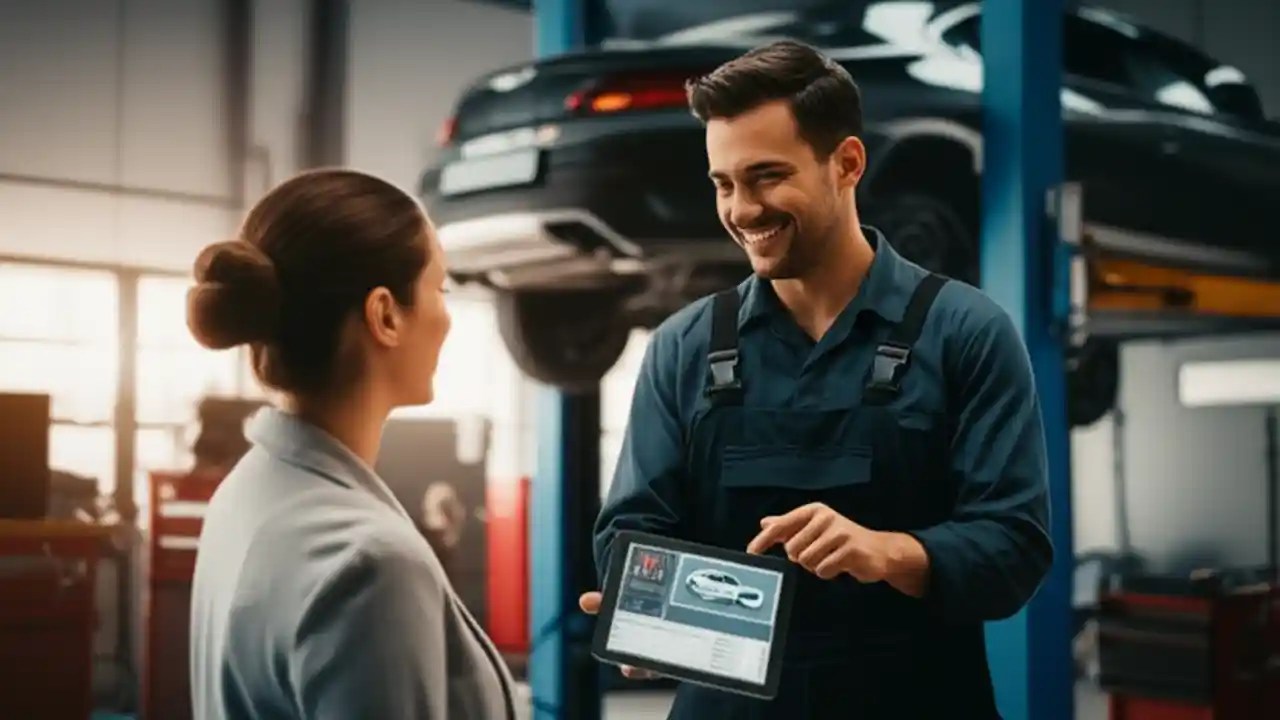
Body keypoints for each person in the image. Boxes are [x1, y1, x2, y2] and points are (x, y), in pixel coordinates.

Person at [579, 40, 1053, 719]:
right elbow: (630, 534)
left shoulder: (966, 333)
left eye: (767, 177)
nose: (742, 209)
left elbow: (1013, 547)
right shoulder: (684, 348)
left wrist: (888, 552)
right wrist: (651, 617)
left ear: (848, 163)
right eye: (724, 184)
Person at [187, 168, 517, 720]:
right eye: (440, 289)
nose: (447, 319)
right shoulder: (372, 566)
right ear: (385, 315)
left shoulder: (245, 492)